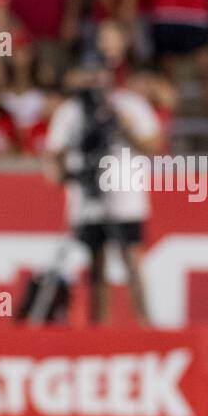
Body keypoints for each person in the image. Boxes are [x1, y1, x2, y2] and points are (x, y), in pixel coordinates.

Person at [43, 56, 162, 325]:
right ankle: (101, 331)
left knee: (132, 260)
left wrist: (120, 122)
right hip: (87, 197)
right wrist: (61, 174)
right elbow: (53, 154)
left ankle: (147, 328)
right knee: (96, 267)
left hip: (126, 195)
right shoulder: (72, 111)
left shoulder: (129, 104)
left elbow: (153, 146)